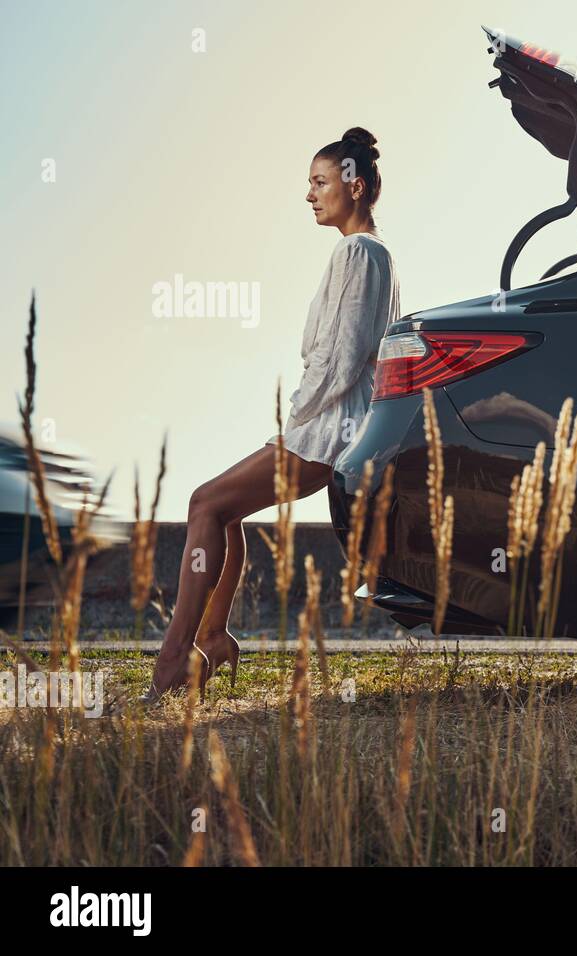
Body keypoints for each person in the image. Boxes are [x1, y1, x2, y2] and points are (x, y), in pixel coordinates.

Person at [141, 127, 400, 702]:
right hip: (330, 428)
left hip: (325, 432)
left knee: (205, 503)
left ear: (353, 185)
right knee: (222, 511)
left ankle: (175, 659)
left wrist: (298, 418)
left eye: (320, 181)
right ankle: (215, 636)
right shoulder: (375, 255)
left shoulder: (358, 253)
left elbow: (343, 354)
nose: (310, 194)